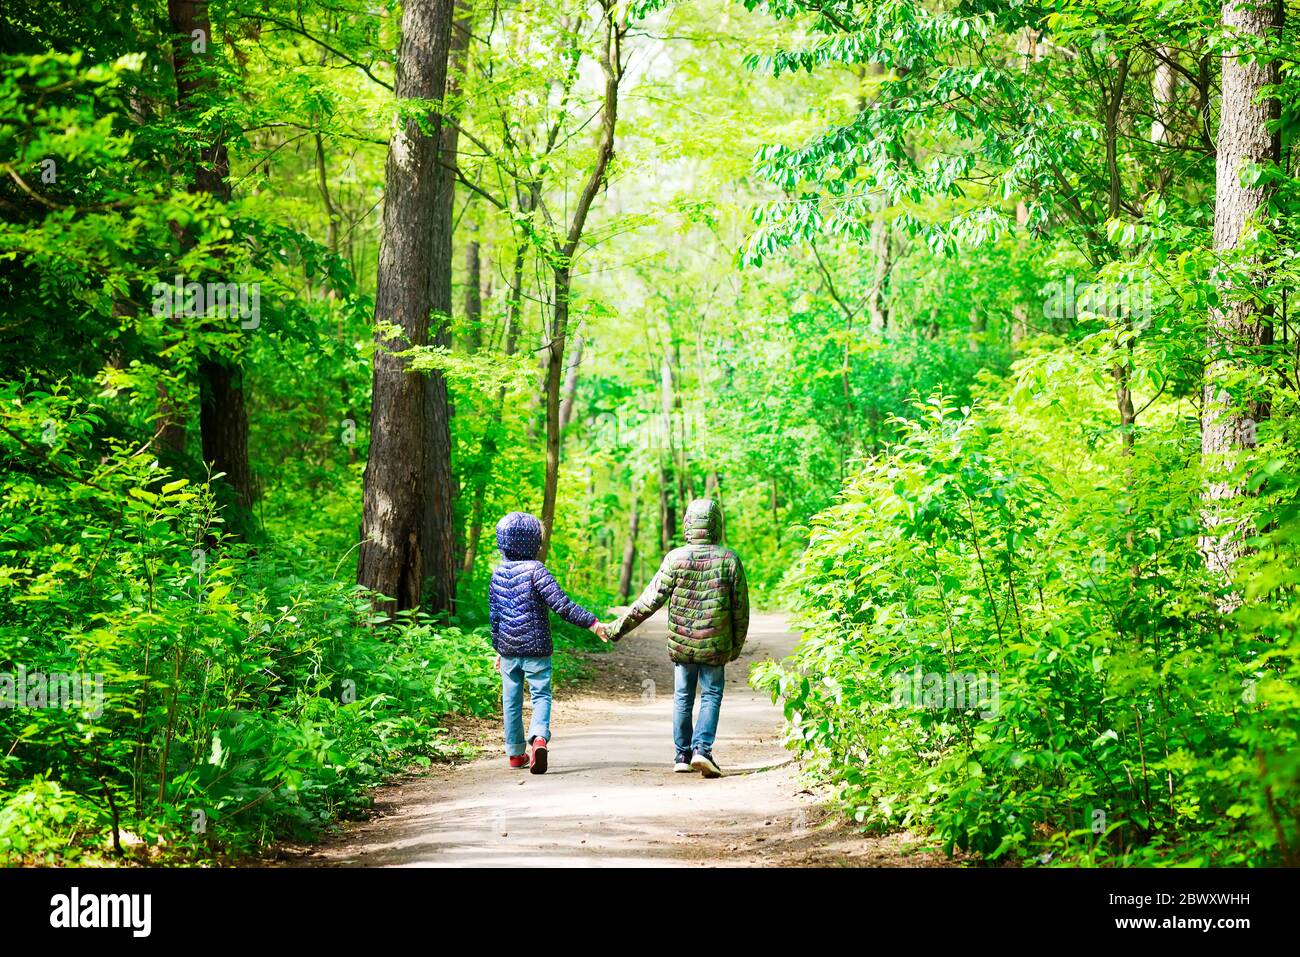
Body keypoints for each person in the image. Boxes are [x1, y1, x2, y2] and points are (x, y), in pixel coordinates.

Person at [608, 498, 749, 777]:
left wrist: (616, 629)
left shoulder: (675, 558)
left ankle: (682, 755)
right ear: (716, 525)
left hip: (682, 646)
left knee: (683, 697)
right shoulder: (729, 560)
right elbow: (740, 609)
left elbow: (650, 600)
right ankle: (702, 751)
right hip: (715, 646)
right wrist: (735, 646)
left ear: (688, 525)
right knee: (710, 695)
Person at [488, 511, 607, 774]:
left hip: (508, 650)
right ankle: (539, 738)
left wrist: (498, 648)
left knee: (511, 700)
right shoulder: (537, 571)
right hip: (536, 649)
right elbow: (562, 605)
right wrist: (592, 623)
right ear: (534, 542)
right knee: (541, 695)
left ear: (503, 542)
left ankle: (516, 755)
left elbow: (494, 616)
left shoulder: (497, 574)